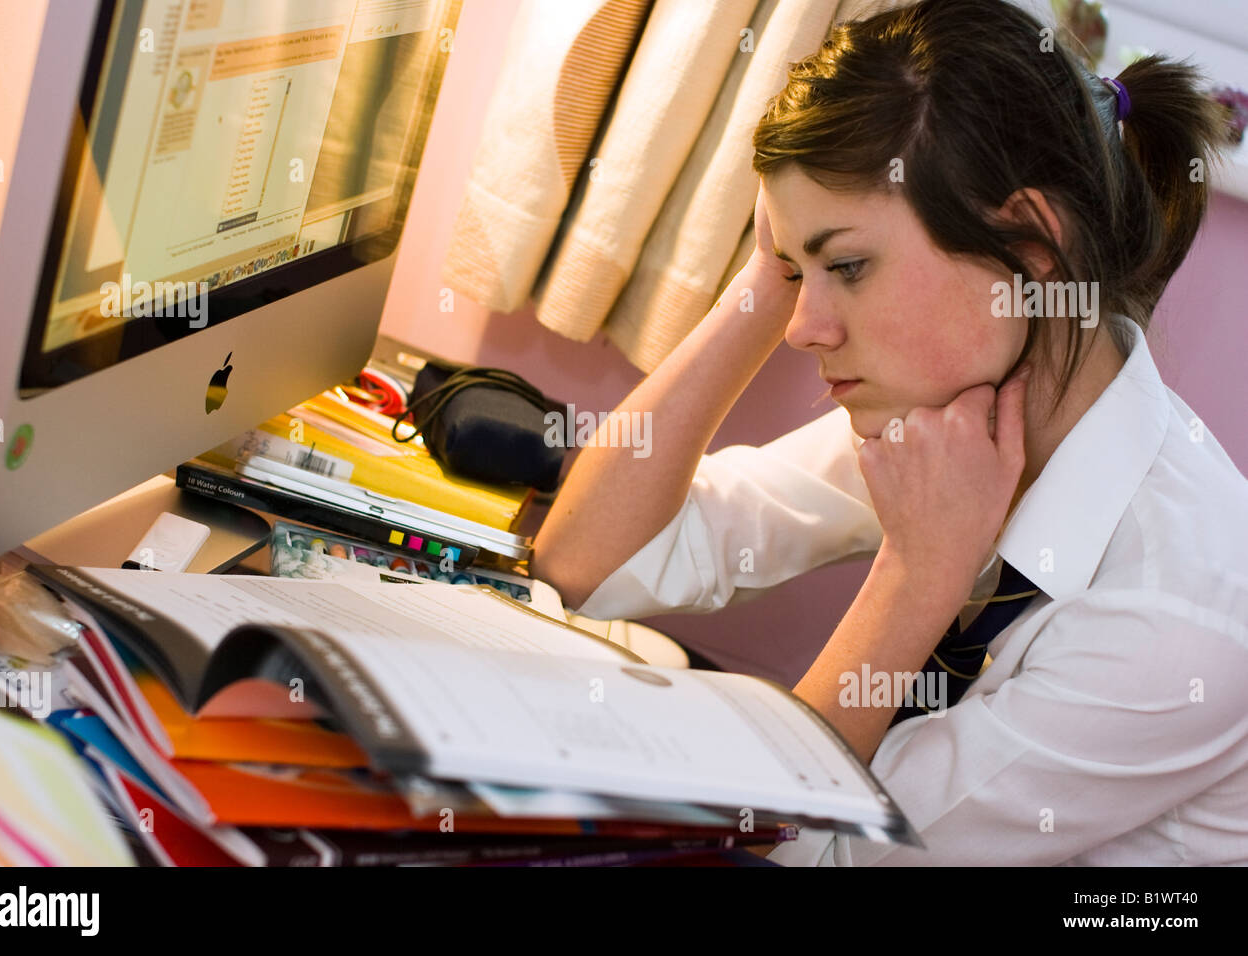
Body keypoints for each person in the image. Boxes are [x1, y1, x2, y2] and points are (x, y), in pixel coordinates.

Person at [532, 0, 1248, 865]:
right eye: (800, 271)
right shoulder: (962, 408)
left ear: (1030, 247)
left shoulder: (1179, 617)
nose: (804, 327)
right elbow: (588, 567)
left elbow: (795, 851)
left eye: (850, 267)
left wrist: (918, 573)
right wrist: (768, 273)